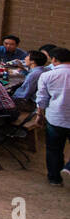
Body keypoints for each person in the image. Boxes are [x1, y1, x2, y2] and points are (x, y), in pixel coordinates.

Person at [32, 47, 70, 185]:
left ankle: (54, 178)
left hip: (56, 117)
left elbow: (42, 98)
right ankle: (68, 168)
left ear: (54, 59)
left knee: (54, 149)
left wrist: (39, 115)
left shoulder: (47, 75)